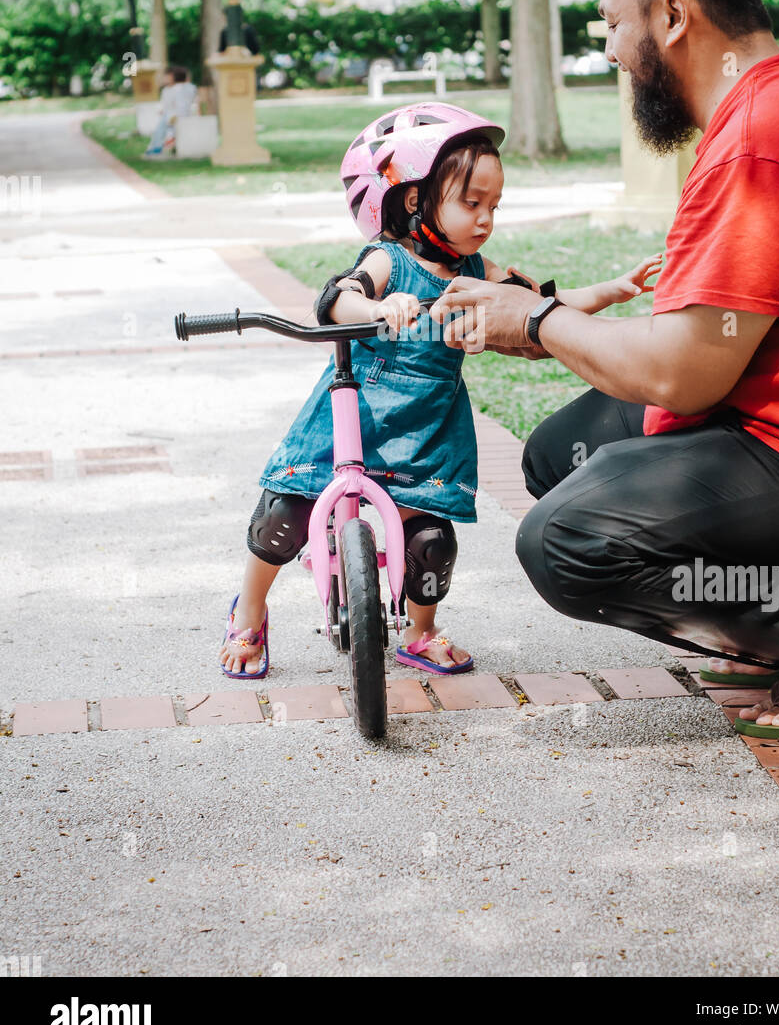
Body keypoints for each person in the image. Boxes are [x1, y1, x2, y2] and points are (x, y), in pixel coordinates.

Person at [430, 0, 779, 742]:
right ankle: (774, 615)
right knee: (562, 452)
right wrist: (552, 324)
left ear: (671, 15)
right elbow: (701, 340)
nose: (612, 49)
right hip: (777, 412)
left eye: (611, 22)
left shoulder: (759, 143)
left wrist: (536, 322)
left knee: (568, 541)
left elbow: (682, 371)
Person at [219, 101, 661, 679]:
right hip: (355, 414)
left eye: (493, 206)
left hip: (429, 427)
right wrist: (379, 306)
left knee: (430, 543)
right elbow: (337, 300)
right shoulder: (390, 260)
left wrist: (613, 288)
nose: (484, 219)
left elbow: (543, 305)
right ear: (413, 201)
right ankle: (249, 611)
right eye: (471, 203)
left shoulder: (476, 269)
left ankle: (420, 631)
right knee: (283, 516)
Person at [143, 65, 198, 158]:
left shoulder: (181, 88)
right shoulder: (167, 90)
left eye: (168, 76)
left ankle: (157, 146)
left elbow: (183, 106)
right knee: (162, 125)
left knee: (163, 124)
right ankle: (159, 145)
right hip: (169, 116)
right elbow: (164, 105)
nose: (165, 78)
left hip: (179, 116)